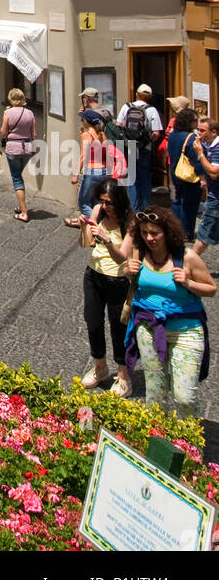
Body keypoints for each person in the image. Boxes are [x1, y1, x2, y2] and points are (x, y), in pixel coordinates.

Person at [122, 207, 215, 416]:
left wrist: (188, 283)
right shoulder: (138, 252)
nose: (149, 238)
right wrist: (128, 271)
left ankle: (190, 432)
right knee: (155, 394)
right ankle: (158, 433)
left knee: (185, 397)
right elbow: (130, 276)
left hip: (186, 330)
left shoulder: (187, 257)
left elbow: (211, 289)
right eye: (145, 232)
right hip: (148, 327)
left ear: (168, 232)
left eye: (155, 233)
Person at [78, 178, 133, 396]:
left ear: (119, 200)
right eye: (102, 201)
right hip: (93, 274)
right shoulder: (98, 211)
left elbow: (122, 257)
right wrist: (85, 228)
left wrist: (107, 240)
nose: (105, 206)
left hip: (117, 280)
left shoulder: (130, 222)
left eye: (109, 202)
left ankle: (123, 376)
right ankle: (100, 367)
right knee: (93, 322)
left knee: (118, 328)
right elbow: (86, 244)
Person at [117, 83, 163, 211]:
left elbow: (119, 125)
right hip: (145, 149)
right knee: (144, 179)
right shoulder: (152, 110)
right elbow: (156, 133)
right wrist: (147, 141)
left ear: (136, 94)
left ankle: (133, 209)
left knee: (131, 179)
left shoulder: (126, 107)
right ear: (149, 97)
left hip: (130, 148)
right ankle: (146, 209)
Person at [165, 106, 205, 241]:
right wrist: (202, 176)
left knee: (177, 201)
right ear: (189, 121)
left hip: (176, 172)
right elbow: (196, 159)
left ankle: (176, 230)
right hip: (189, 174)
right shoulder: (191, 137)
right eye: (195, 120)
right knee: (190, 204)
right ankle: (186, 233)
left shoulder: (172, 135)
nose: (197, 123)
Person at [0, 88, 35, 223]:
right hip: (27, 148)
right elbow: (33, 134)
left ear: (11, 99)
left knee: (16, 179)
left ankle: (24, 212)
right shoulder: (30, 113)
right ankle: (21, 206)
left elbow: (3, 132)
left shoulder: (8, 113)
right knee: (18, 176)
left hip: (13, 148)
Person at [193, 117, 219, 260]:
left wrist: (200, 154)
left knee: (204, 232)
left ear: (213, 132)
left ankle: (188, 263)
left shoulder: (217, 148)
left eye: (203, 130)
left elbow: (214, 173)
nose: (199, 133)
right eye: (198, 129)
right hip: (213, 194)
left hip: (216, 197)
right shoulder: (208, 145)